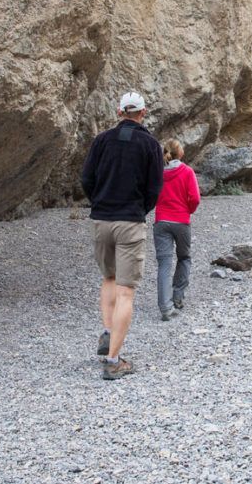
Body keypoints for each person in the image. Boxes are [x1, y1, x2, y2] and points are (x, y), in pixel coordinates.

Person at [80, 91, 163, 380]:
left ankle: (106, 330)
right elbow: (154, 187)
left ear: (119, 112)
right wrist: (141, 209)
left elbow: (86, 178)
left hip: (101, 218)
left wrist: (99, 201)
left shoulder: (101, 140)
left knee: (109, 278)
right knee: (127, 290)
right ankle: (114, 361)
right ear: (143, 113)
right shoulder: (151, 144)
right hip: (130, 221)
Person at [153, 139, 201, 321]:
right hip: (181, 221)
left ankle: (165, 307)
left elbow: (151, 193)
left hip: (161, 221)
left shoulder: (158, 173)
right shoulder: (187, 171)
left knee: (164, 264)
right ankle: (178, 297)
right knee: (184, 258)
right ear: (180, 153)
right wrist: (188, 210)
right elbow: (195, 198)